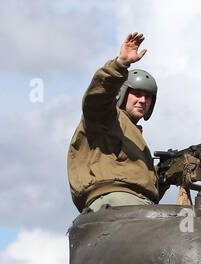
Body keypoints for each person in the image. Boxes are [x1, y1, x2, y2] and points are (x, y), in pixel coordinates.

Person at [68, 31, 161, 212]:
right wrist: (120, 65)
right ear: (123, 93)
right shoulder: (107, 117)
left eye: (148, 97)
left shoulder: (135, 136)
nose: (143, 100)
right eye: (137, 93)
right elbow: (96, 98)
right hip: (117, 202)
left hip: (136, 205)